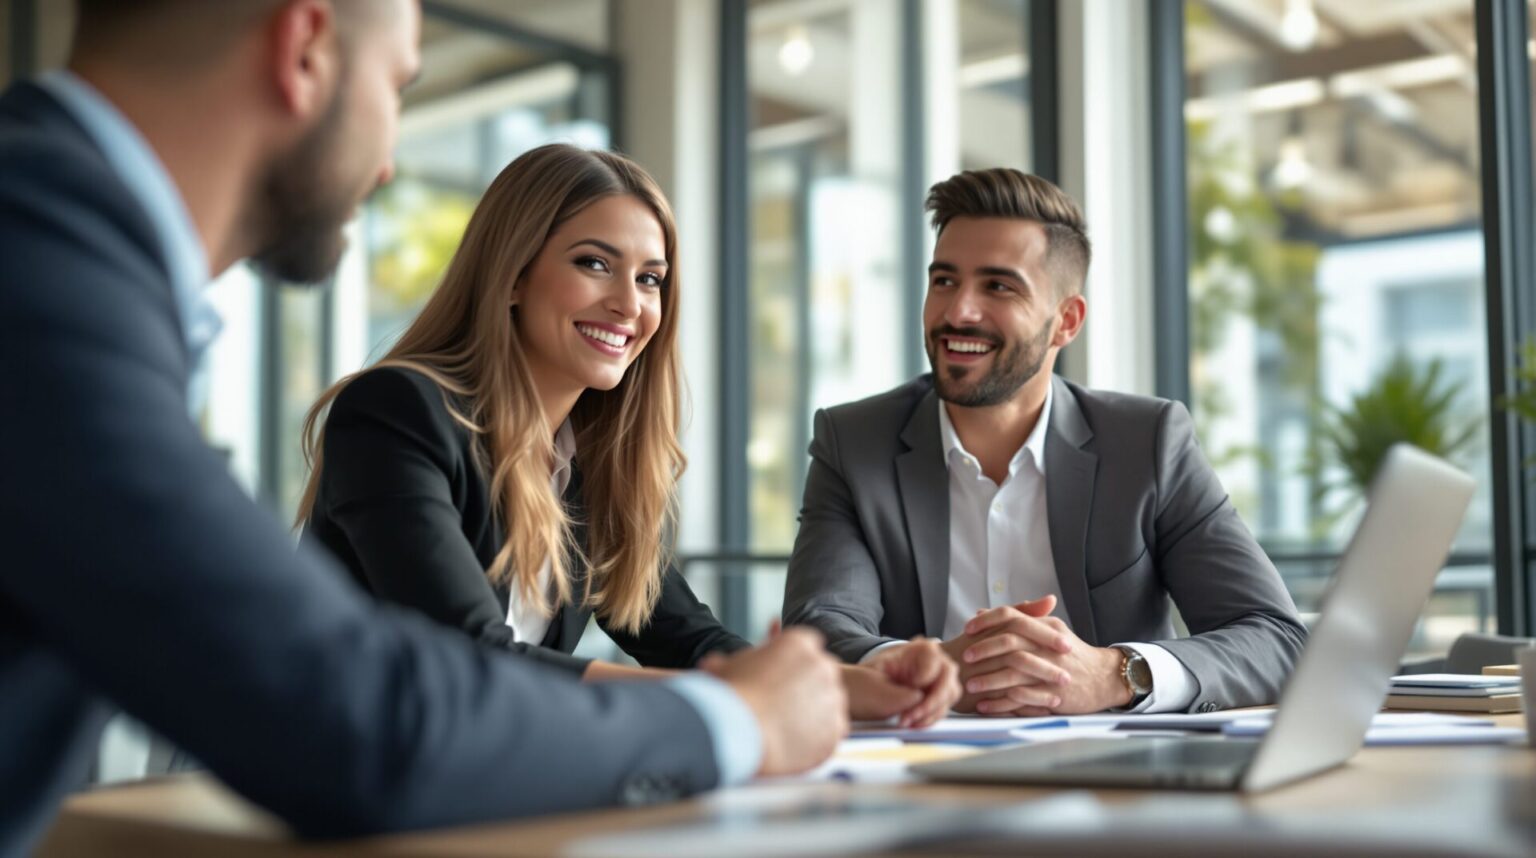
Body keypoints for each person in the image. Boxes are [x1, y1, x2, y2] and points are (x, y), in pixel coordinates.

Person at [0, 2, 846, 854]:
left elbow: (673, 629)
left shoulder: (66, 250)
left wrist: (828, 686)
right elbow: (376, 709)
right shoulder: (42, 275)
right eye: (399, 87)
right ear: (305, 52)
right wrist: (730, 719)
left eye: (653, 278)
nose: (389, 161)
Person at [296, 143, 958, 724]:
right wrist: (737, 700)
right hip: (311, 791)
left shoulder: (591, 469)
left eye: (650, 279)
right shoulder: (395, 411)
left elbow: (689, 641)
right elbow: (469, 657)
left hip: (471, 782)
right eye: (593, 263)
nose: (629, 303)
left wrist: (857, 684)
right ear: (514, 275)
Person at [783, 168, 1307, 717]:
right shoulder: (854, 443)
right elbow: (817, 634)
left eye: (998, 286)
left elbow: (1275, 639)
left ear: (1066, 321)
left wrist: (1116, 674)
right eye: (944, 281)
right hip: (921, 770)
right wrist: (929, 666)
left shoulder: (1147, 444)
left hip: (1114, 783)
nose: (958, 311)